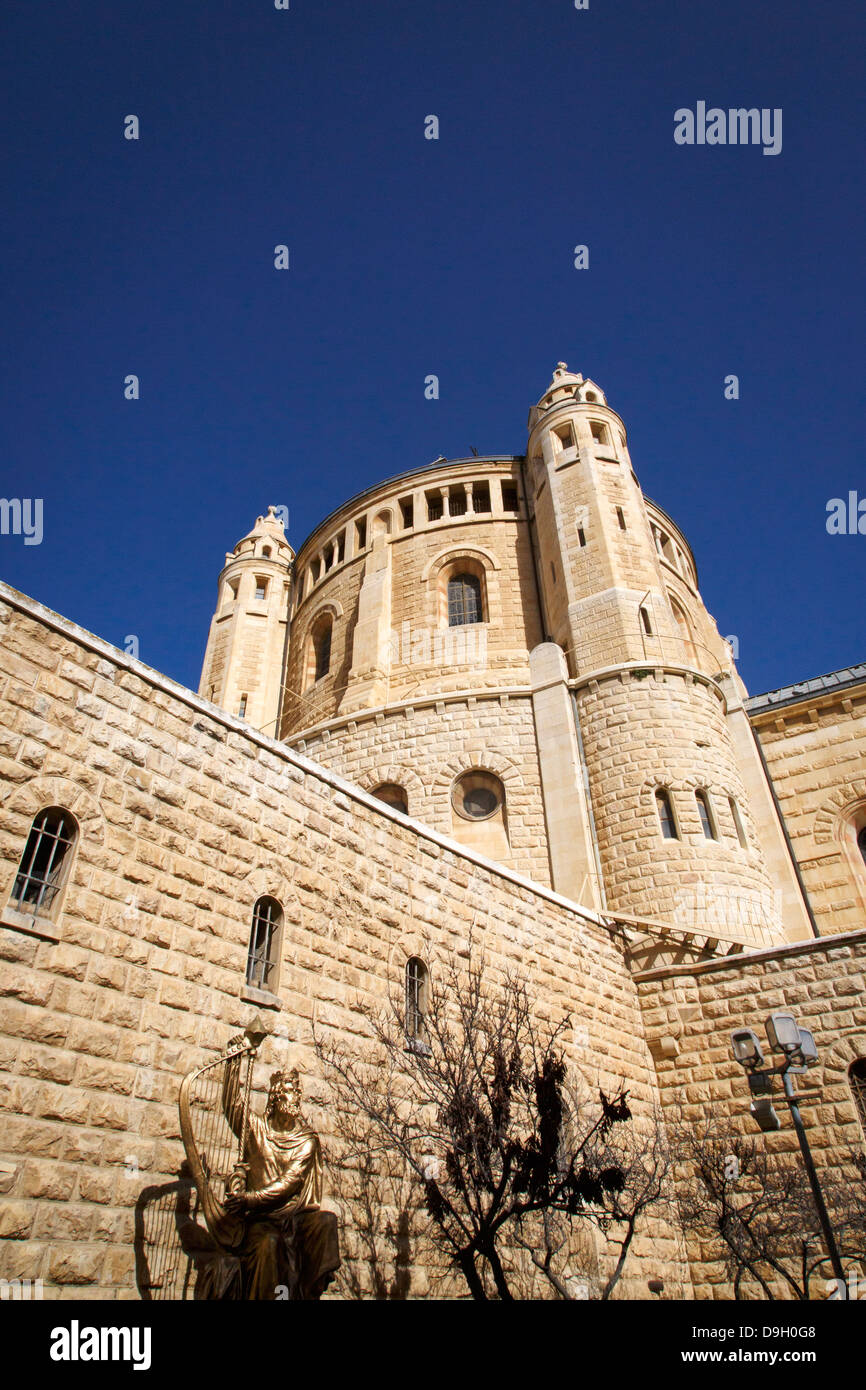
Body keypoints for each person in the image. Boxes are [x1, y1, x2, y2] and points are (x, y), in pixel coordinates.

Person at [221, 1048, 339, 1299]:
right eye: (290, 1091)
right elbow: (232, 1105)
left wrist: (248, 1198)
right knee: (269, 1244)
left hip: (294, 1219)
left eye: (298, 1092)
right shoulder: (256, 1129)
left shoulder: (306, 1140)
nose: (296, 1097)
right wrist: (233, 1064)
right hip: (261, 1220)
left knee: (326, 1223)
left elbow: (290, 1182)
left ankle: (307, 1294)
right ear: (275, 1097)